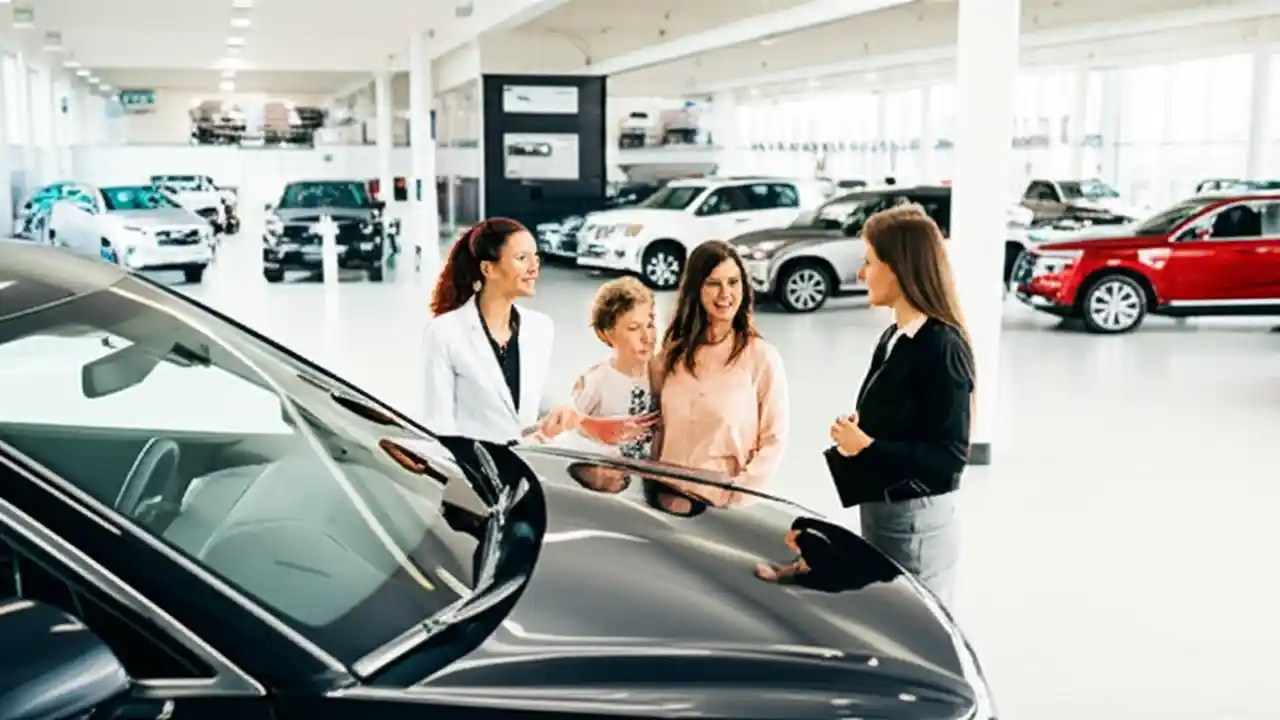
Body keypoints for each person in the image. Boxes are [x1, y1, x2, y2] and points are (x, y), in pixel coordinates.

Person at [761, 203, 975, 606]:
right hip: (886, 513)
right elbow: (908, 415)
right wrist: (865, 426)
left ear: (900, 268)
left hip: (914, 523)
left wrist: (868, 447)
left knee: (911, 626)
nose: (861, 274)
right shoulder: (895, 335)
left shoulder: (942, 346)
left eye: (869, 262)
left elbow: (950, 456)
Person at [648, 240, 789, 508]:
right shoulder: (671, 356)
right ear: (696, 289)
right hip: (666, 502)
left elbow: (774, 439)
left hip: (719, 510)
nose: (725, 293)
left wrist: (737, 496)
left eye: (733, 282)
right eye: (714, 283)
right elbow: (653, 426)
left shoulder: (761, 357)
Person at [420, 218, 582, 444]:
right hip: (473, 472)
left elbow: (541, 396)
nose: (534, 267)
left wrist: (562, 411)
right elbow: (439, 425)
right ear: (488, 269)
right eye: (521, 258)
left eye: (535, 257)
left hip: (528, 466)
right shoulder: (444, 333)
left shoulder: (540, 327)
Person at [563, 277, 661, 459]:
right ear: (606, 333)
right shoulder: (594, 382)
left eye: (650, 325)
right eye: (633, 328)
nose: (647, 337)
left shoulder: (663, 376)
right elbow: (570, 435)